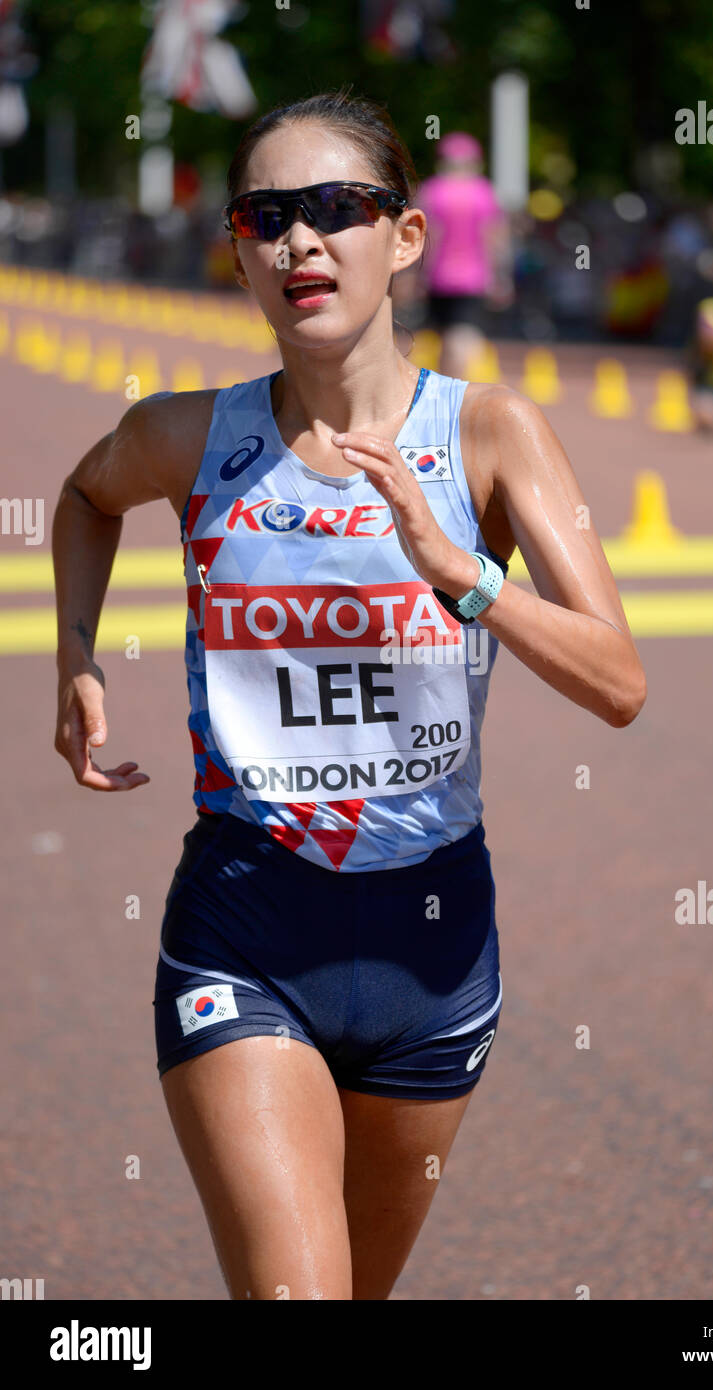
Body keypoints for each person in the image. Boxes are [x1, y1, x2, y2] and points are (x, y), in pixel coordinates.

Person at [52, 89, 646, 1301]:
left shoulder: (487, 434)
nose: (300, 243)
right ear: (238, 250)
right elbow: (82, 497)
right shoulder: (187, 436)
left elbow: (619, 682)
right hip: (246, 923)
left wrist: (466, 577)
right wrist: (76, 652)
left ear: (407, 238)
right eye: (266, 216)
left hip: (435, 948)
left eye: (336, 208)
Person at [415, 130, 513, 377]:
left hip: (438, 276)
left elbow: (428, 236)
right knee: (465, 334)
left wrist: (419, 274)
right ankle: (457, 389)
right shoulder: (484, 192)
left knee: (443, 335)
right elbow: (494, 237)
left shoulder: (432, 191)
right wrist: (501, 276)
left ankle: (445, 386)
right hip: (474, 277)